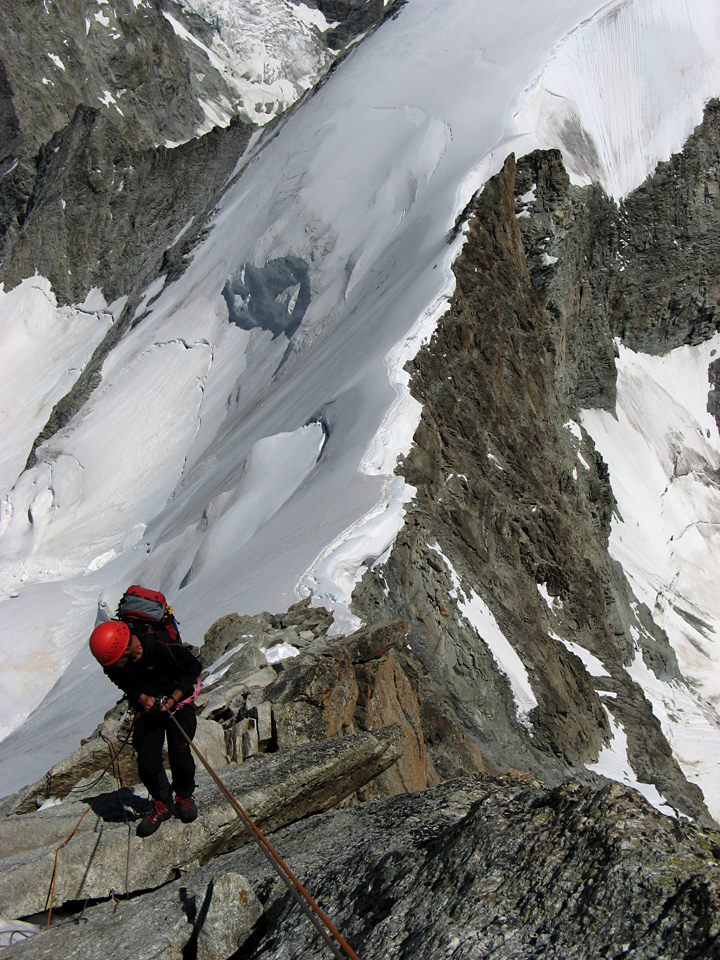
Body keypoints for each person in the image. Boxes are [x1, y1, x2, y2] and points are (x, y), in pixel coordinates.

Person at [89, 617, 202, 837]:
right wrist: (141, 698)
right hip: (147, 708)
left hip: (177, 703)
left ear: (126, 649)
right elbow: (123, 682)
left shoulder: (160, 645)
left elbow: (192, 669)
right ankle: (163, 802)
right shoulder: (113, 662)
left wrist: (174, 698)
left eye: (114, 663)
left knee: (180, 750)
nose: (111, 668)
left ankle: (184, 795)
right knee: (147, 760)